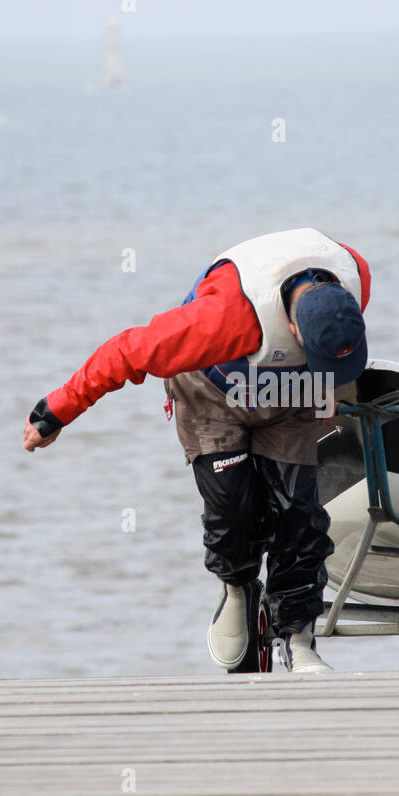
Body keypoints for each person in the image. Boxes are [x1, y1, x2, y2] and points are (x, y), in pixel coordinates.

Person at [23, 228, 370, 673]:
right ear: (292, 326)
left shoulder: (353, 276)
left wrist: (332, 387)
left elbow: (339, 342)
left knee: (298, 513)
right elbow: (125, 352)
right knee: (233, 513)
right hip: (212, 392)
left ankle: (298, 636)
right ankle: (237, 586)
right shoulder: (220, 320)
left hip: (288, 394)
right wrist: (55, 411)